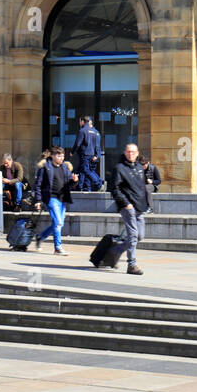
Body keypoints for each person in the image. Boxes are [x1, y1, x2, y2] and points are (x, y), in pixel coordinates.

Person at [109, 142, 149, 275]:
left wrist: (146, 204)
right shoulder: (119, 168)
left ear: (137, 154)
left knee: (140, 236)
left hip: (139, 207)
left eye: (133, 152)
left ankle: (115, 252)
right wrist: (126, 203)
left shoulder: (138, 167)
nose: (130, 154)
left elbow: (141, 188)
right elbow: (114, 189)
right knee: (133, 236)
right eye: (128, 152)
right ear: (125, 153)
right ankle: (132, 265)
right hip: (128, 207)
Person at [32, 147, 77, 254]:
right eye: (58, 156)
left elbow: (69, 185)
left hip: (62, 198)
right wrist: (38, 200)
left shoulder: (65, 168)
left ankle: (40, 237)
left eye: (62, 156)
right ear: (52, 156)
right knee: (58, 222)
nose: (61, 158)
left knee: (59, 223)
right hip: (51, 198)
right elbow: (38, 185)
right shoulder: (45, 168)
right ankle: (58, 247)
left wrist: (74, 181)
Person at [72, 116, 103, 191]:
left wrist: (72, 152)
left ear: (83, 121)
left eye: (80, 121)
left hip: (86, 154)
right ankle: (85, 187)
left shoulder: (84, 131)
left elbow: (77, 143)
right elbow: (97, 145)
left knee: (86, 170)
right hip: (92, 155)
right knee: (85, 171)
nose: (79, 123)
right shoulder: (95, 132)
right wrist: (96, 155)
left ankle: (99, 183)